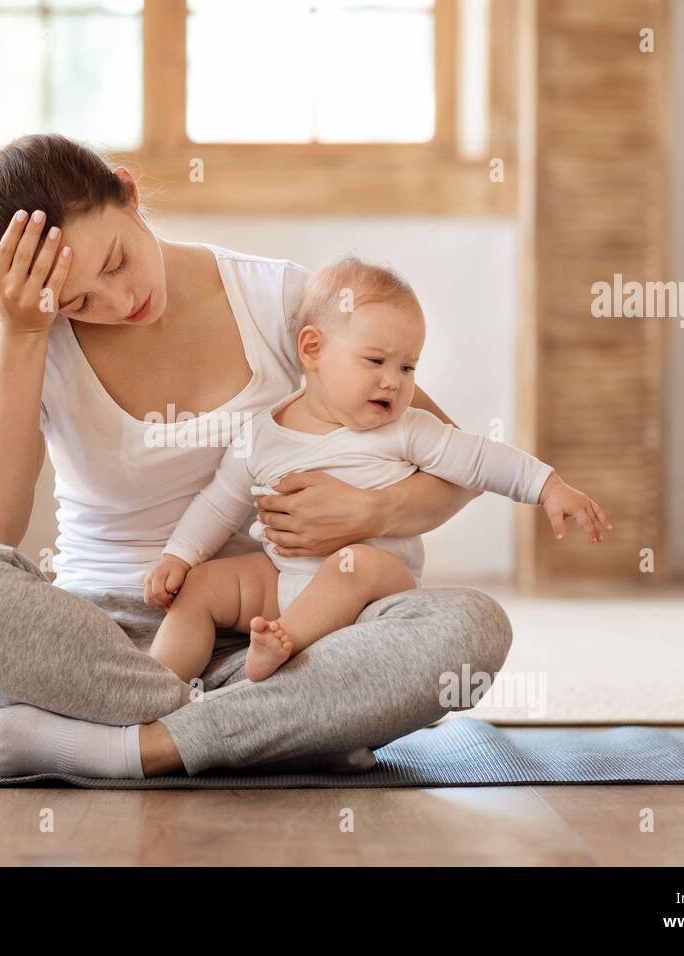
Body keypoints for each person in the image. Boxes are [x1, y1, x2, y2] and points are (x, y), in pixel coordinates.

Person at [0, 133, 515, 779]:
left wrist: (370, 510)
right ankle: (275, 729)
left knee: (469, 626)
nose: (117, 304)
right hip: (112, 648)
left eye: (114, 263)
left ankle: (133, 747)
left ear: (130, 195)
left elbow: (456, 465)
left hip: (296, 631)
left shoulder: (279, 300)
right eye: (78, 301)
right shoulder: (34, 337)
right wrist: (24, 331)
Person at [143, 256, 611, 683]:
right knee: (205, 585)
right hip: (283, 579)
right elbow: (219, 503)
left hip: (377, 593)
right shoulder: (262, 435)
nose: (394, 380)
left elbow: (481, 459)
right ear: (313, 349)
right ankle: (156, 689)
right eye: (375, 361)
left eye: (409, 367)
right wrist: (179, 557)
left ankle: (283, 645)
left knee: (356, 562)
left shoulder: (406, 430)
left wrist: (547, 486)